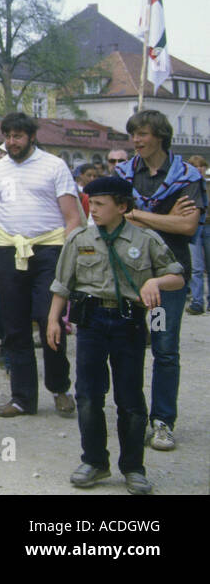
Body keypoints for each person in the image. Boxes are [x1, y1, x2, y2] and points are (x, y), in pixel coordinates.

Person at [47, 176, 183, 494]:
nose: (92, 210)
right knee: (88, 396)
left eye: (99, 204)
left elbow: (177, 276)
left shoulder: (145, 240)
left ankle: (133, 467)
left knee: (130, 399)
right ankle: (94, 461)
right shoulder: (79, 238)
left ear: (122, 206)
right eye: (90, 203)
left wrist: (155, 283)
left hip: (128, 323)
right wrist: (53, 320)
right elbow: (61, 285)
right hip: (92, 321)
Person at [114, 109, 205, 452]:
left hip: (167, 277)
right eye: (133, 134)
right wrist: (163, 217)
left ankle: (163, 420)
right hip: (128, 274)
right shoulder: (123, 173)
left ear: (160, 136)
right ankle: (132, 415)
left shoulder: (186, 176)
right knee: (128, 345)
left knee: (164, 348)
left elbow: (187, 227)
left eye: (143, 134)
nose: (136, 140)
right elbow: (114, 219)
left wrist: (137, 214)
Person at [0, 112, 82, 418]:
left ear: (31, 137)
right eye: (8, 136)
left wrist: (67, 258)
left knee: (47, 317)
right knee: (14, 324)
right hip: (10, 250)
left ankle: (59, 387)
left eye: (18, 136)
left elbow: (72, 216)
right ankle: (22, 397)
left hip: (49, 250)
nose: (12, 142)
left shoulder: (54, 166)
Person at [186, 155, 209, 316]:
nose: (198, 168)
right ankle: (197, 301)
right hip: (195, 228)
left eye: (201, 165)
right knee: (196, 268)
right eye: (195, 165)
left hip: (208, 226)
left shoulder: (208, 185)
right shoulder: (187, 186)